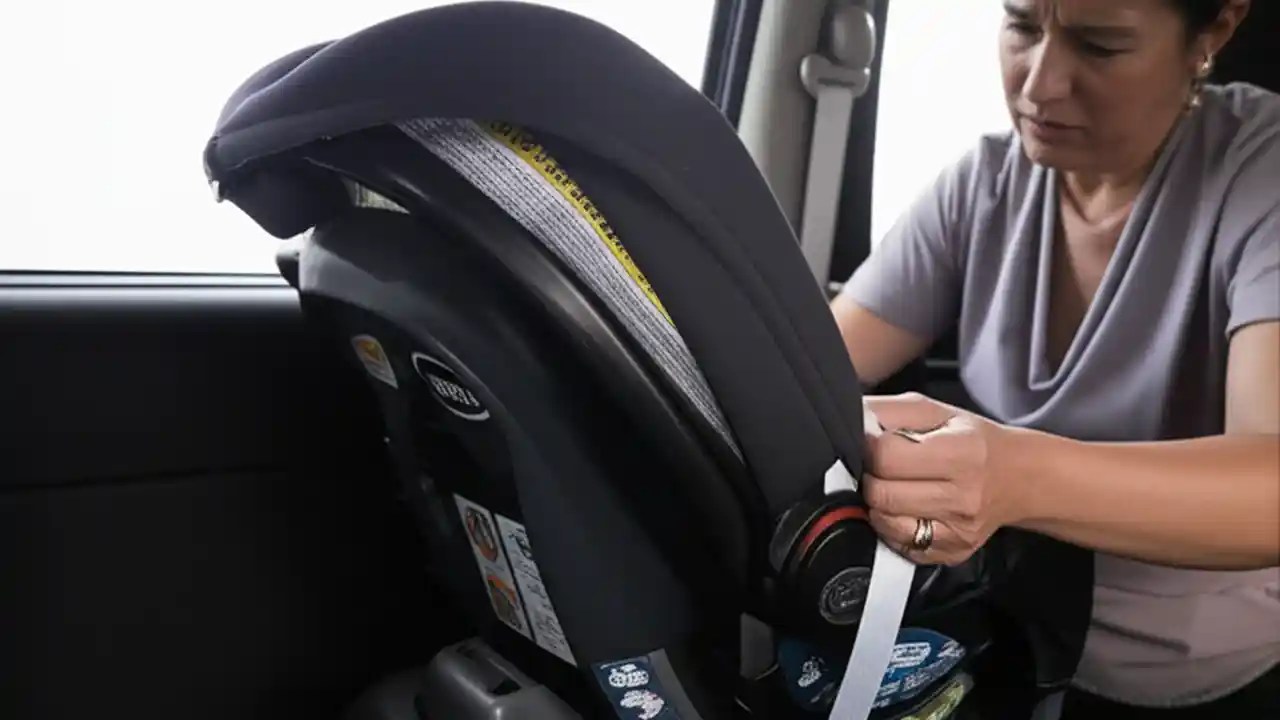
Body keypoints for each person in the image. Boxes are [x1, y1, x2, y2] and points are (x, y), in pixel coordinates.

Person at [830, 0, 1279, 716]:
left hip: (1189, 677)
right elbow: (817, 365)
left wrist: (1017, 476)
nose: (1038, 87)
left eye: (1100, 47)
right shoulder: (983, 184)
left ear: (1213, 33)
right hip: (1003, 639)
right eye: (1022, 27)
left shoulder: (1261, 177)